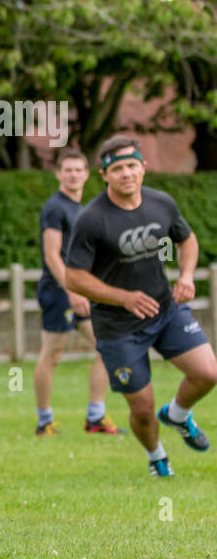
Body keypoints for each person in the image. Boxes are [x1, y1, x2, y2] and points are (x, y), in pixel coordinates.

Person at [65, 135, 217, 477]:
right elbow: (73, 278)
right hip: (118, 327)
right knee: (143, 409)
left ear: (143, 168)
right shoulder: (92, 219)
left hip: (165, 309)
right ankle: (156, 455)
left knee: (208, 373)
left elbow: (187, 239)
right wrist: (123, 297)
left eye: (132, 165)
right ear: (104, 175)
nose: (126, 174)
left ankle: (178, 414)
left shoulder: (161, 203)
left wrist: (187, 276)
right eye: (117, 168)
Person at [33, 148, 119, 436]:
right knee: (52, 354)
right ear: (58, 173)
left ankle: (95, 418)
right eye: (67, 169)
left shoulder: (81, 208)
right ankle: (44, 421)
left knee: (108, 346)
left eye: (78, 170)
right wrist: (72, 290)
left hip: (80, 291)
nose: (73, 175)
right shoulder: (55, 208)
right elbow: (52, 255)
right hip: (59, 292)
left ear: (86, 174)